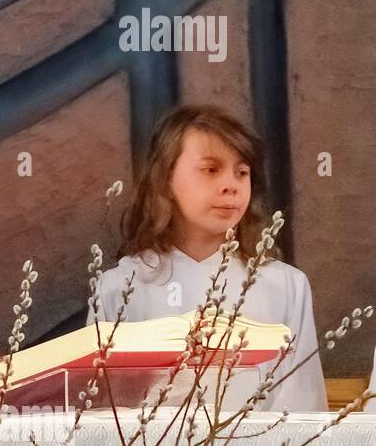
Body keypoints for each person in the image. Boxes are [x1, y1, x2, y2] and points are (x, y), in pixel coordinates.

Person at [91, 105, 328, 412]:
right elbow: (101, 410)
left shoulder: (285, 285)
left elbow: (302, 408)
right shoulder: (121, 287)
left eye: (242, 172)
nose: (231, 185)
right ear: (165, 180)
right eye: (211, 170)